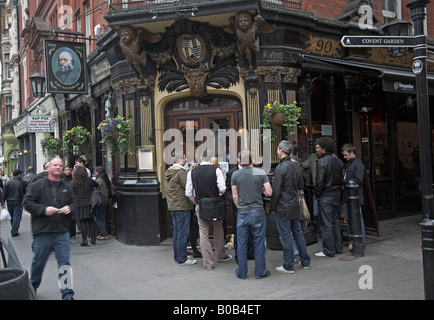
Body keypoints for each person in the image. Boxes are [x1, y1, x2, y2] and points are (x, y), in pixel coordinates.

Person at [23, 157, 77, 300]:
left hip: (62, 232)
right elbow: (27, 203)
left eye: (60, 165)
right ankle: (31, 287)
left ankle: (67, 294)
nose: (58, 167)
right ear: (48, 168)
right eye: (55, 165)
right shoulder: (38, 185)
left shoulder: (67, 186)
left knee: (64, 263)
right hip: (43, 232)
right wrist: (44, 210)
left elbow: (75, 203)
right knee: (39, 262)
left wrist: (70, 207)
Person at [185, 152, 232, 271]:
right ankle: (220, 255)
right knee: (218, 229)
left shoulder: (192, 172)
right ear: (211, 158)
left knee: (203, 233)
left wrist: (196, 202)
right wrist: (217, 194)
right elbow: (222, 189)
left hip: (201, 204)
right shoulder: (216, 171)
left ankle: (208, 263)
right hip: (216, 204)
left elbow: (188, 192)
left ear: (200, 157)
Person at [270, 140, 311, 273]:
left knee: (286, 235)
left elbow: (276, 191)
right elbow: (300, 185)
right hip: (294, 203)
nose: (277, 151)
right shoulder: (296, 166)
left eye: (277, 149)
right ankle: (305, 260)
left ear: (281, 150)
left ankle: (288, 265)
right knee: (298, 233)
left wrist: (272, 207)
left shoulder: (281, 168)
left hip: (283, 205)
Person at [231, 149, 272, 279]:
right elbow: (269, 192)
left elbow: (234, 195)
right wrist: (261, 190)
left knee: (241, 243)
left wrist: (240, 207)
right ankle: (260, 272)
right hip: (258, 211)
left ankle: (242, 272)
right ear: (252, 160)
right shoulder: (260, 173)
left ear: (240, 160)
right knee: (259, 243)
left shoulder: (235, 175)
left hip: (242, 211)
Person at [165, 152, 196, 265]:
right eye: (184, 157)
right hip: (182, 206)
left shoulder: (168, 172)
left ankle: (177, 256)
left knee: (177, 233)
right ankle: (182, 258)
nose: (186, 159)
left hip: (173, 205)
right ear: (180, 159)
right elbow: (189, 188)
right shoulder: (181, 173)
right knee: (183, 233)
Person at [314, 137, 344, 257]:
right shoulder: (338, 160)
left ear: (324, 148)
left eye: (318, 148)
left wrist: (317, 194)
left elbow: (320, 181)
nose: (317, 150)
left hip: (326, 195)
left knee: (327, 224)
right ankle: (338, 248)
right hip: (336, 194)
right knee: (335, 222)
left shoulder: (322, 162)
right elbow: (342, 178)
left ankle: (328, 250)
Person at [225, 152, 254, 263]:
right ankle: (239, 256)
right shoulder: (231, 173)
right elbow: (228, 191)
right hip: (238, 207)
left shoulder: (254, 171)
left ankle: (251, 253)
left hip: (252, 206)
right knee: (239, 232)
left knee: (252, 230)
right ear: (238, 159)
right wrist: (234, 200)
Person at [341, 143, 366, 250]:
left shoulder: (358, 164)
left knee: (358, 221)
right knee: (350, 221)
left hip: (355, 198)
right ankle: (352, 243)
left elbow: (358, 180)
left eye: (346, 155)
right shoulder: (349, 164)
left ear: (352, 153)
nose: (344, 157)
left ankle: (361, 244)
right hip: (347, 198)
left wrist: (344, 181)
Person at [72, 165, 98, 246]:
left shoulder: (74, 182)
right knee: (91, 222)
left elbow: (70, 191)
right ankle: (93, 239)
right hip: (90, 203)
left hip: (79, 204)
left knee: (83, 223)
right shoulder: (89, 180)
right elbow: (96, 185)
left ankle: (85, 240)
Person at [1, 169, 27, 237]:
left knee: (12, 215)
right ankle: (14, 230)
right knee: (17, 215)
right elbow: (26, 192)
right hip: (18, 200)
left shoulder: (8, 183)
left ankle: (14, 227)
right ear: (19, 175)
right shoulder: (22, 183)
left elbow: (4, 193)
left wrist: (2, 203)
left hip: (9, 201)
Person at [187, 161, 201, 258]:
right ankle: (194, 249)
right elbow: (188, 192)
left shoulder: (196, 175)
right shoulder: (189, 175)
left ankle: (194, 245)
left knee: (195, 228)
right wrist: (195, 202)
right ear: (188, 167)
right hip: (191, 204)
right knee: (193, 228)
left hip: (195, 203)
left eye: (196, 166)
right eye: (193, 167)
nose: (194, 168)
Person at [94, 166, 110, 241]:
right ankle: (102, 234)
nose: (95, 172)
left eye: (95, 171)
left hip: (100, 200)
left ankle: (104, 234)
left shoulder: (99, 180)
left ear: (98, 172)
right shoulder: (105, 179)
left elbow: (94, 188)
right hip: (105, 199)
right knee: (102, 217)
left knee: (97, 218)